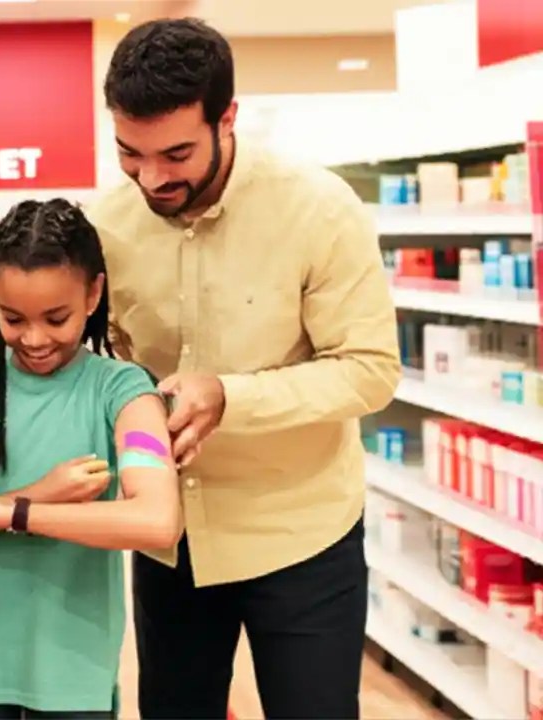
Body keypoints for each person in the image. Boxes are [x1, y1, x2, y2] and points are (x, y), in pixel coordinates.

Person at [87, 17, 403, 720]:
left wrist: (230, 397)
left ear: (227, 116)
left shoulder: (318, 210)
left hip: (301, 533)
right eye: (129, 153)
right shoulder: (107, 222)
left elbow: (371, 370)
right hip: (173, 540)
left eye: (175, 153)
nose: (152, 177)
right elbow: (104, 362)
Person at [0, 198, 182, 720]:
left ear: (94, 293)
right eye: (12, 318)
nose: (33, 339)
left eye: (56, 318)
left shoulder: (125, 391)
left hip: (75, 673)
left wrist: (8, 512)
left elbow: (158, 520)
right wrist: (35, 497)